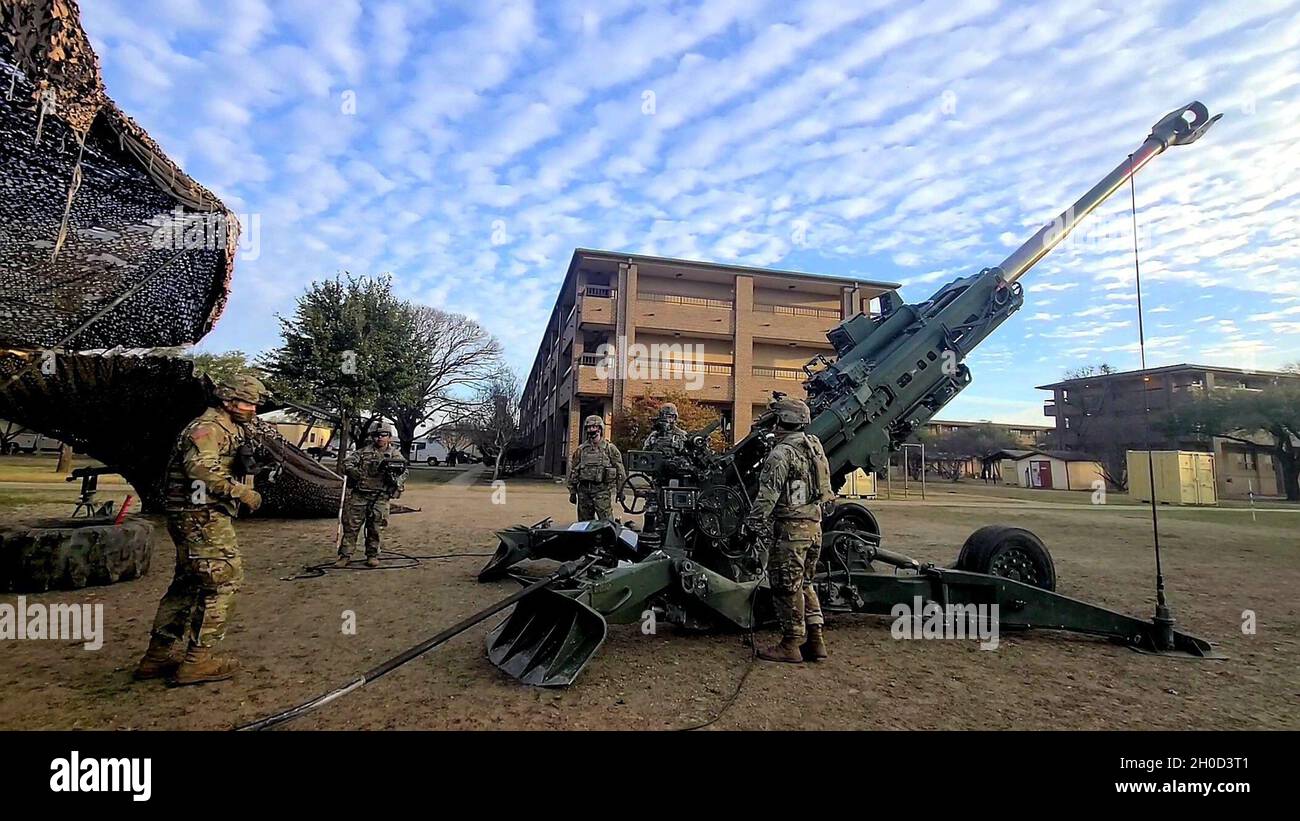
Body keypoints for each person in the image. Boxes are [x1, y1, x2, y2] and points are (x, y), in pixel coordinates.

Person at [134, 373, 269, 686]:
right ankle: (198, 660)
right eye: (247, 402)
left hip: (194, 515)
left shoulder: (231, 428)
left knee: (188, 583)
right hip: (200, 515)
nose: (252, 409)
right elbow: (200, 469)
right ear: (227, 400)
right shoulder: (206, 428)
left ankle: (156, 656)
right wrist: (241, 492)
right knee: (224, 581)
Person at [744, 396, 834, 664]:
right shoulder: (814, 447)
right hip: (814, 526)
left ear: (782, 420)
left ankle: (791, 643)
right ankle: (816, 642)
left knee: (785, 586)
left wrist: (753, 525)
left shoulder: (781, 453)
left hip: (790, 531)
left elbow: (767, 497)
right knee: (805, 583)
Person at [334, 423, 407, 568]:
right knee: (351, 527)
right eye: (376, 435)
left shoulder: (395, 454)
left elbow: (404, 471)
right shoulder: (362, 452)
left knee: (375, 528)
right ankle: (345, 555)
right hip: (360, 495)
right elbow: (346, 464)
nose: (380, 438)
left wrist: (396, 481)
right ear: (372, 437)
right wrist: (353, 472)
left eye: (383, 435)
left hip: (380, 497)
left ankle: (372, 555)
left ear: (389, 437)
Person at [567, 415, 627, 521]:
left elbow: (620, 471)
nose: (591, 430)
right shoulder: (581, 450)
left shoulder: (609, 449)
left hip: (602, 491)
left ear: (600, 428)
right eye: (589, 427)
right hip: (584, 492)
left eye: (594, 427)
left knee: (606, 523)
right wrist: (572, 491)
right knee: (584, 525)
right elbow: (573, 471)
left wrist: (620, 491)